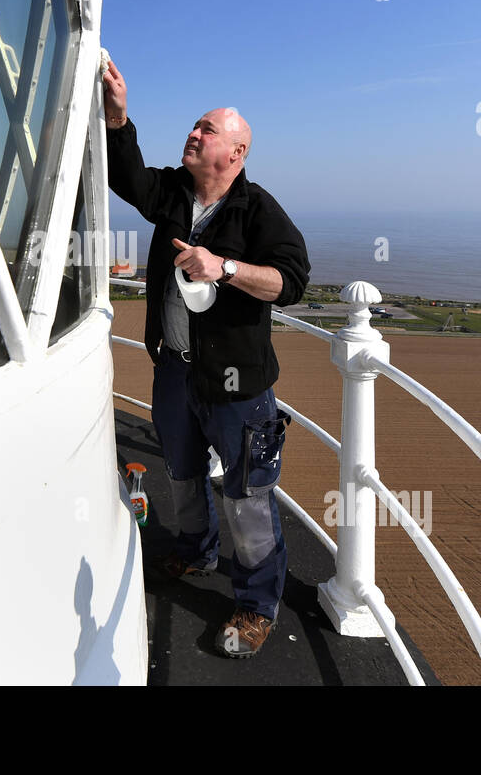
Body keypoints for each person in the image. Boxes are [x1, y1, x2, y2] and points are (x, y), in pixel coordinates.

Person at [102, 58, 310, 658]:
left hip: (238, 383)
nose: (192, 133)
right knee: (183, 471)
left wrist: (225, 268)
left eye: (205, 129)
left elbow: (290, 280)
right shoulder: (172, 191)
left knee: (246, 493)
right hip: (175, 368)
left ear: (236, 151)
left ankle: (256, 603)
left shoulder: (258, 212)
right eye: (194, 126)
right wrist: (118, 116)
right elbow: (128, 178)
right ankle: (196, 552)